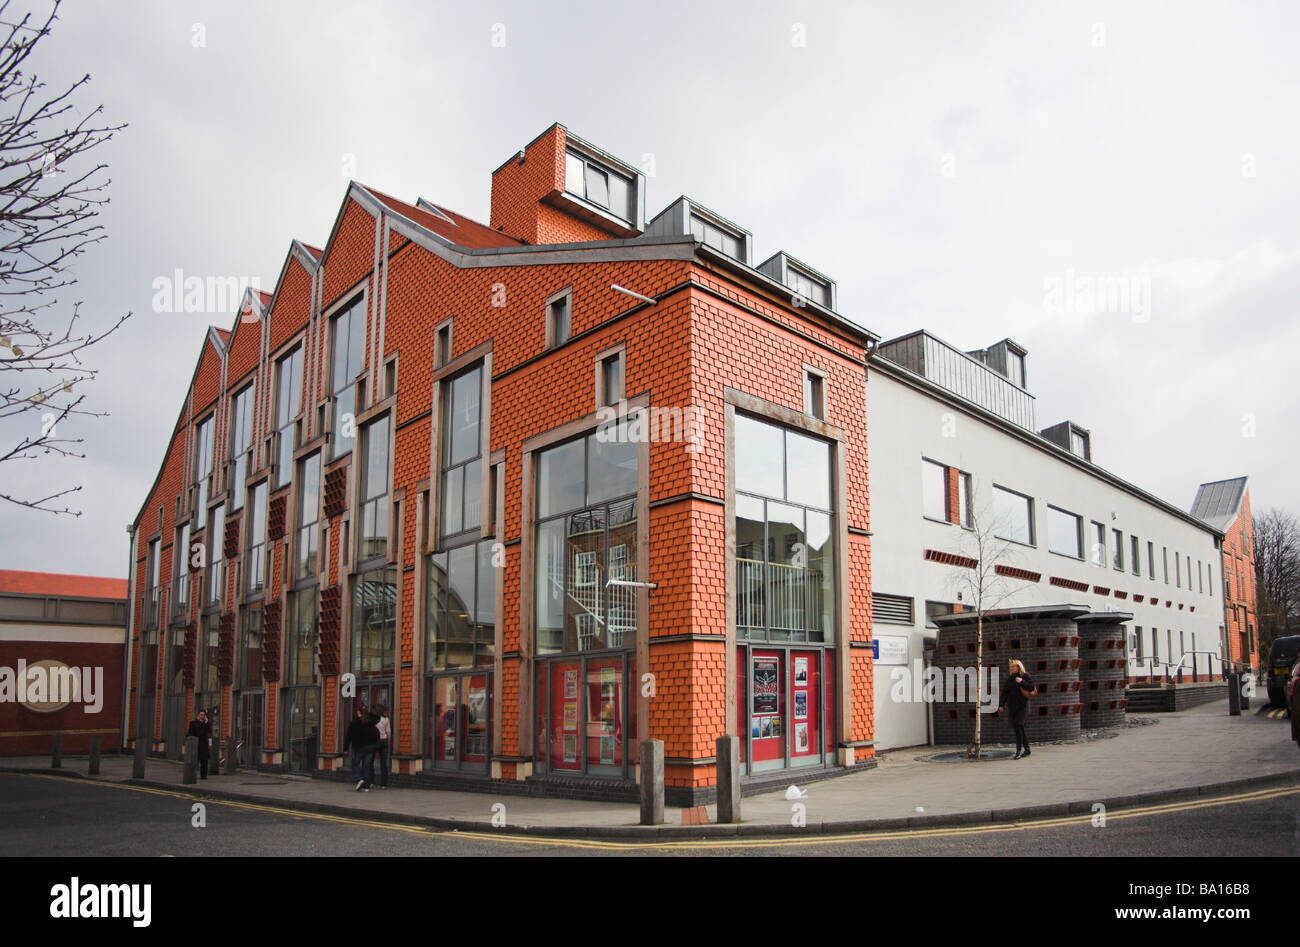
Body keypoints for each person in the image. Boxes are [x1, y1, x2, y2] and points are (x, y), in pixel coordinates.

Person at [998, 658, 1036, 760]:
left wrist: (1022, 682)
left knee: (1019, 726)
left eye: (1013, 666)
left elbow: (1032, 687)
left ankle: (1018, 751)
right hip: (1012, 707)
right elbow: (1004, 693)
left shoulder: (1024, 676)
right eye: (1010, 667)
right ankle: (1027, 749)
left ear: (1018, 667)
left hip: (1023, 707)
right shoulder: (1010, 679)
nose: (1011, 668)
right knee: (1019, 729)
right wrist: (1001, 705)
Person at [343, 709, 380, 791]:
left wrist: (345, 748)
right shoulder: (371, 722)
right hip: (370, 747)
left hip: (358, 746)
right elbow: (377, 719)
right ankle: (366, 786)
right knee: (366, 766)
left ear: (359, 713)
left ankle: (359, 779)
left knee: (355, 763)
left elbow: (348, 735)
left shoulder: (354, 722)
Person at [185, 709, 213, 779]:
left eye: (203, 715)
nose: (202, 716)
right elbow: (190, 733)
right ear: (198, 715)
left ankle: (203, 776)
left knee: (204, 761)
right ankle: (191, 775)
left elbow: (210, 731)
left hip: (204, 744)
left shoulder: (206, 723)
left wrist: (206, 723)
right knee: (194, 761)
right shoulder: (193, 723)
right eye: (201, 715)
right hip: (195, 744)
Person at [373, 704, 390, 788]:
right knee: (383, 763)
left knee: (370, 761)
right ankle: (384, 783)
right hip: (383, 740)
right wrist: (388, 741)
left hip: (374, 741)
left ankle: (371, 781)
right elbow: (388, 732)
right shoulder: (386, 719)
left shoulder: (373, 719)